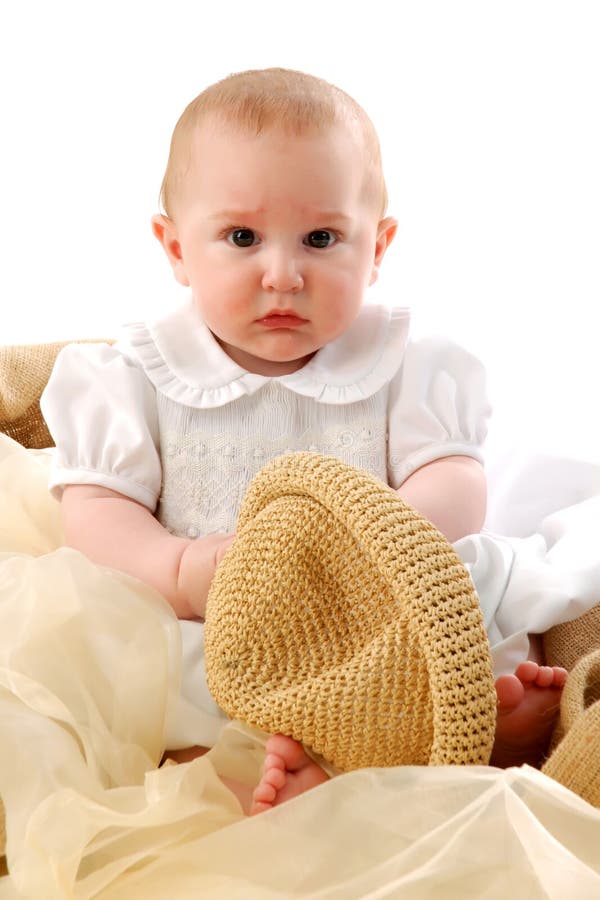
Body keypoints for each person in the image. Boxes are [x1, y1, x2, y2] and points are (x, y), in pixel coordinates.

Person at [40, 67, 566, 816]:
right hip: (215, 621)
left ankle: (462, 727)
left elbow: (453, 481)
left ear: (378, 246)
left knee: (495, 594)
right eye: (241, 237)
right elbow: (95, 511)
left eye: (322, 238)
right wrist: (178, 567)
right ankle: (240, 769)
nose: (283, 274)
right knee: (140, 666)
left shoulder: (409, 365)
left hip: (379, 605)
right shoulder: (129, 379)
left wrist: (384, 547)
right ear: (176, 247)